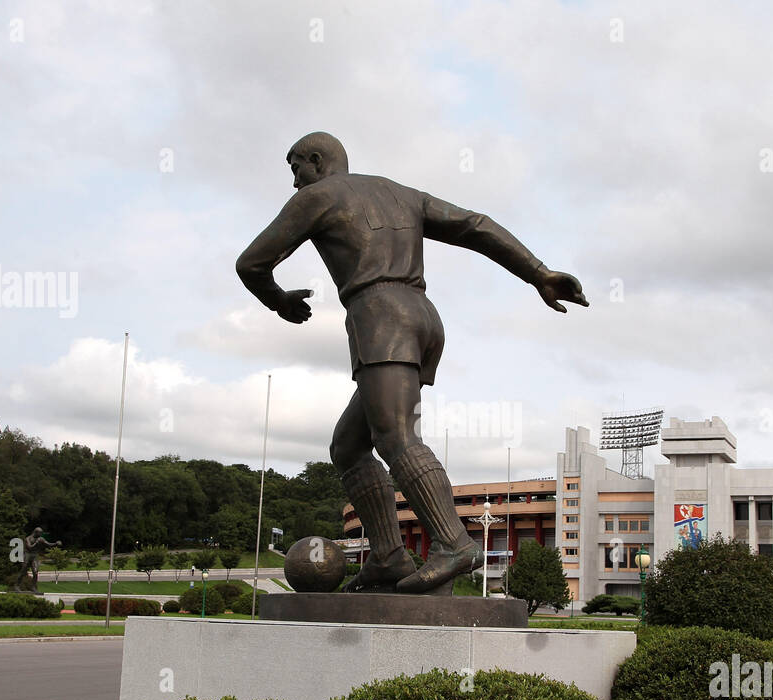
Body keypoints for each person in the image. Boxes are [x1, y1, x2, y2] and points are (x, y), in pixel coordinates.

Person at [237, 132, 587, 593]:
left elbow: (251, 264)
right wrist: (538, 272)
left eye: (295, 167)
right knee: (347, 447)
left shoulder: (317, 196)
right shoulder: (402, 194)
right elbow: (475, 226)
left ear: (317, 162)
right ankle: (386, 555)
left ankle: (453, 543)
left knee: (396, 436)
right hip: (422, 318)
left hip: (380, 317)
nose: (294, 180)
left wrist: (279, 301)